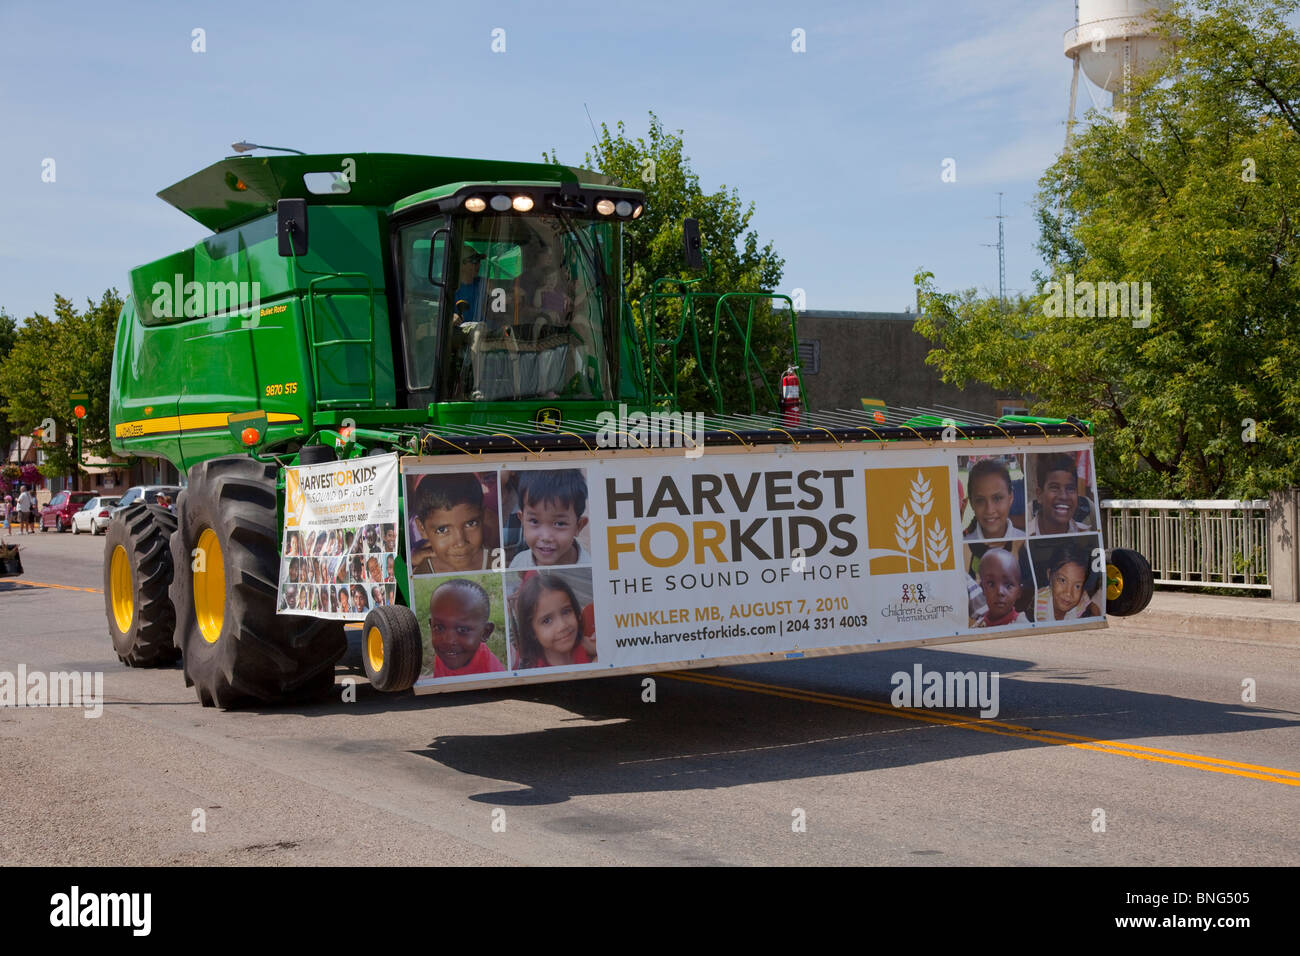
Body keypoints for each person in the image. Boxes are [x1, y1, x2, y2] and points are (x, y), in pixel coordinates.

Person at [409, 473, 491, 573]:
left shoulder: (498, 563)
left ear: (482, 517)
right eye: (442, 530)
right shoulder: (418, 572)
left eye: (470, 524)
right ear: (422, 529)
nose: (460, 543)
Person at [511, 572, 596, 668]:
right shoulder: (538, 673)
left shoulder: (581, 644)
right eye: (547, 620)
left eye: (566, 612)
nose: (562, 626)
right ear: (532, 631)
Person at [509, 469, 589, 567]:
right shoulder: (519, 563)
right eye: (534, 521)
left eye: (559, 524)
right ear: (522, 521)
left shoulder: (591, 569)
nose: (546, 537)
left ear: (578, 526)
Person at [428, 578, 505, 677]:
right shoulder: (447, 653)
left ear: (486, 632)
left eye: (462, 630)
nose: (448, 640)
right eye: (439, 627)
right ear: (431, 625)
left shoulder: (493, 675)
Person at [1035, 543, 1100, 621]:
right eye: (1062, 580)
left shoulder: (1081, 596)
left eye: (1077, 586)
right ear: (1049, 576)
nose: (1069, 593)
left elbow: (1094, 608)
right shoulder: (1038, 603)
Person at [1028, 453, 1090, 535]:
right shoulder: (1023, 537)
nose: (1063, 496)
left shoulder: (1086, 536)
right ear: (1039, 495)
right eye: (1054, 488)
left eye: (1070, 488)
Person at [963, 458, 1023, 541]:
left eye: (997, 498)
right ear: (971, 503)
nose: (989, 510)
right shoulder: (961, 547)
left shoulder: (1026, 543)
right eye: (980, 500)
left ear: (1011, 498)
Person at [971, 547, 1028, 627]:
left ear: (1019, 591)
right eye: (991, 584)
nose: (1000, 592)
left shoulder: (1023, 628)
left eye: (1008, 585)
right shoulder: (976, 628)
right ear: (982, 588)